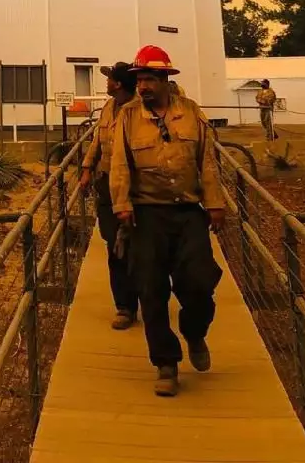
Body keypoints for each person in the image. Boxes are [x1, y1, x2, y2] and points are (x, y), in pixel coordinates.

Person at [110, 44, 226, 398]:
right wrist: (121, 204)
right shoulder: (128, 117)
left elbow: (207, 160)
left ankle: (194, 331)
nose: (142, 86)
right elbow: (119, 163)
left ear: (164, 79)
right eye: (139, 79)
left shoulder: (191, 114)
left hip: (189, 212)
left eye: (148, 79)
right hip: (146, 215)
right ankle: (166, 363)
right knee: (151, 290)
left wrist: (215, 203)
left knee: (200, 283)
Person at [81, 63, 139, 329]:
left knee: (139, 247)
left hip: (135, 188)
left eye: (109, 79)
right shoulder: (109, 106)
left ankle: (143, 299)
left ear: (118, 83)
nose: (105, 83)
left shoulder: (140, 109)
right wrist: (86, 169)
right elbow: (96, 140)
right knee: (114, 246)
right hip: (106, 184)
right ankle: (124, 306)